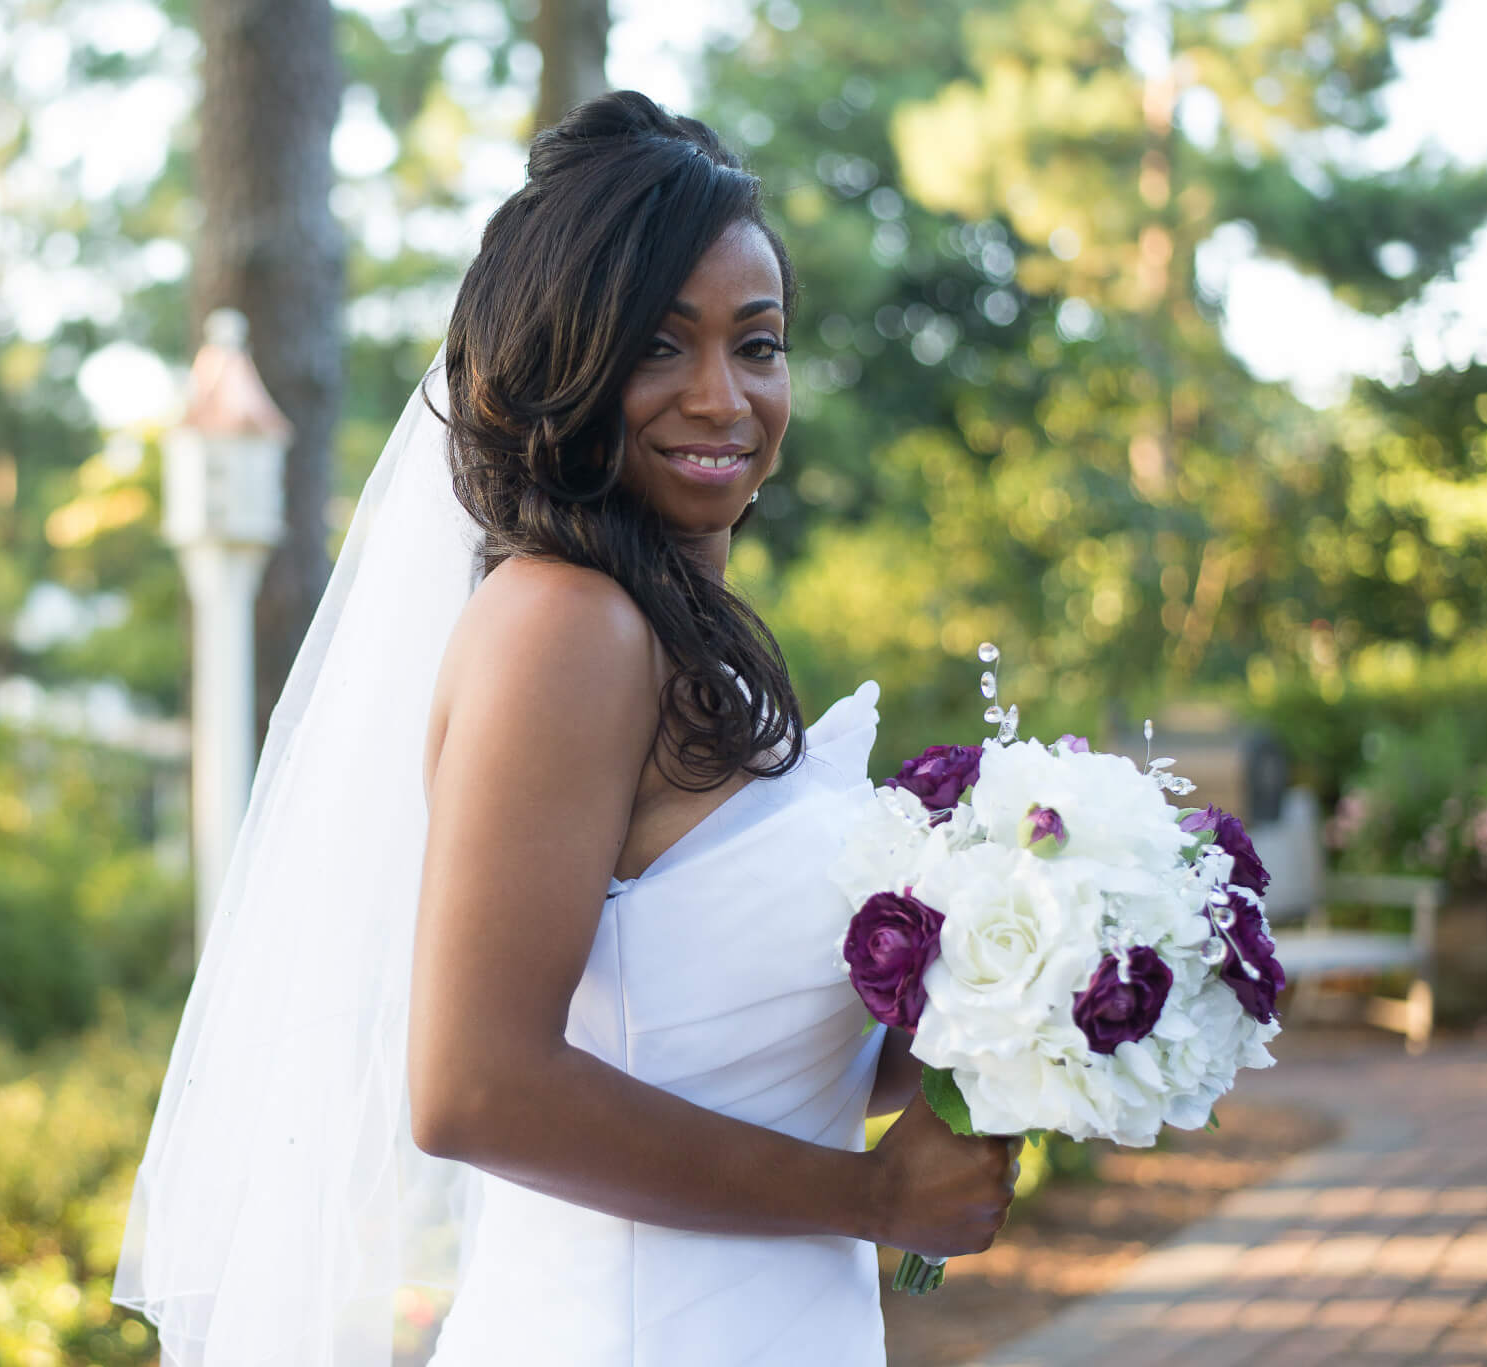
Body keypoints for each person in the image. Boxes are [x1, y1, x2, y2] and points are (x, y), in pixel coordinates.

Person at [112, 90, 1018, 1367]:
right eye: (659, 345)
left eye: (756, 345)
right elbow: (473, 1086)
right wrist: (864, 1199)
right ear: (562, 366)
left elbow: (754, 1056)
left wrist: (1018, 1011)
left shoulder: (684, 637)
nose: (722, 396)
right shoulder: (564, 626)